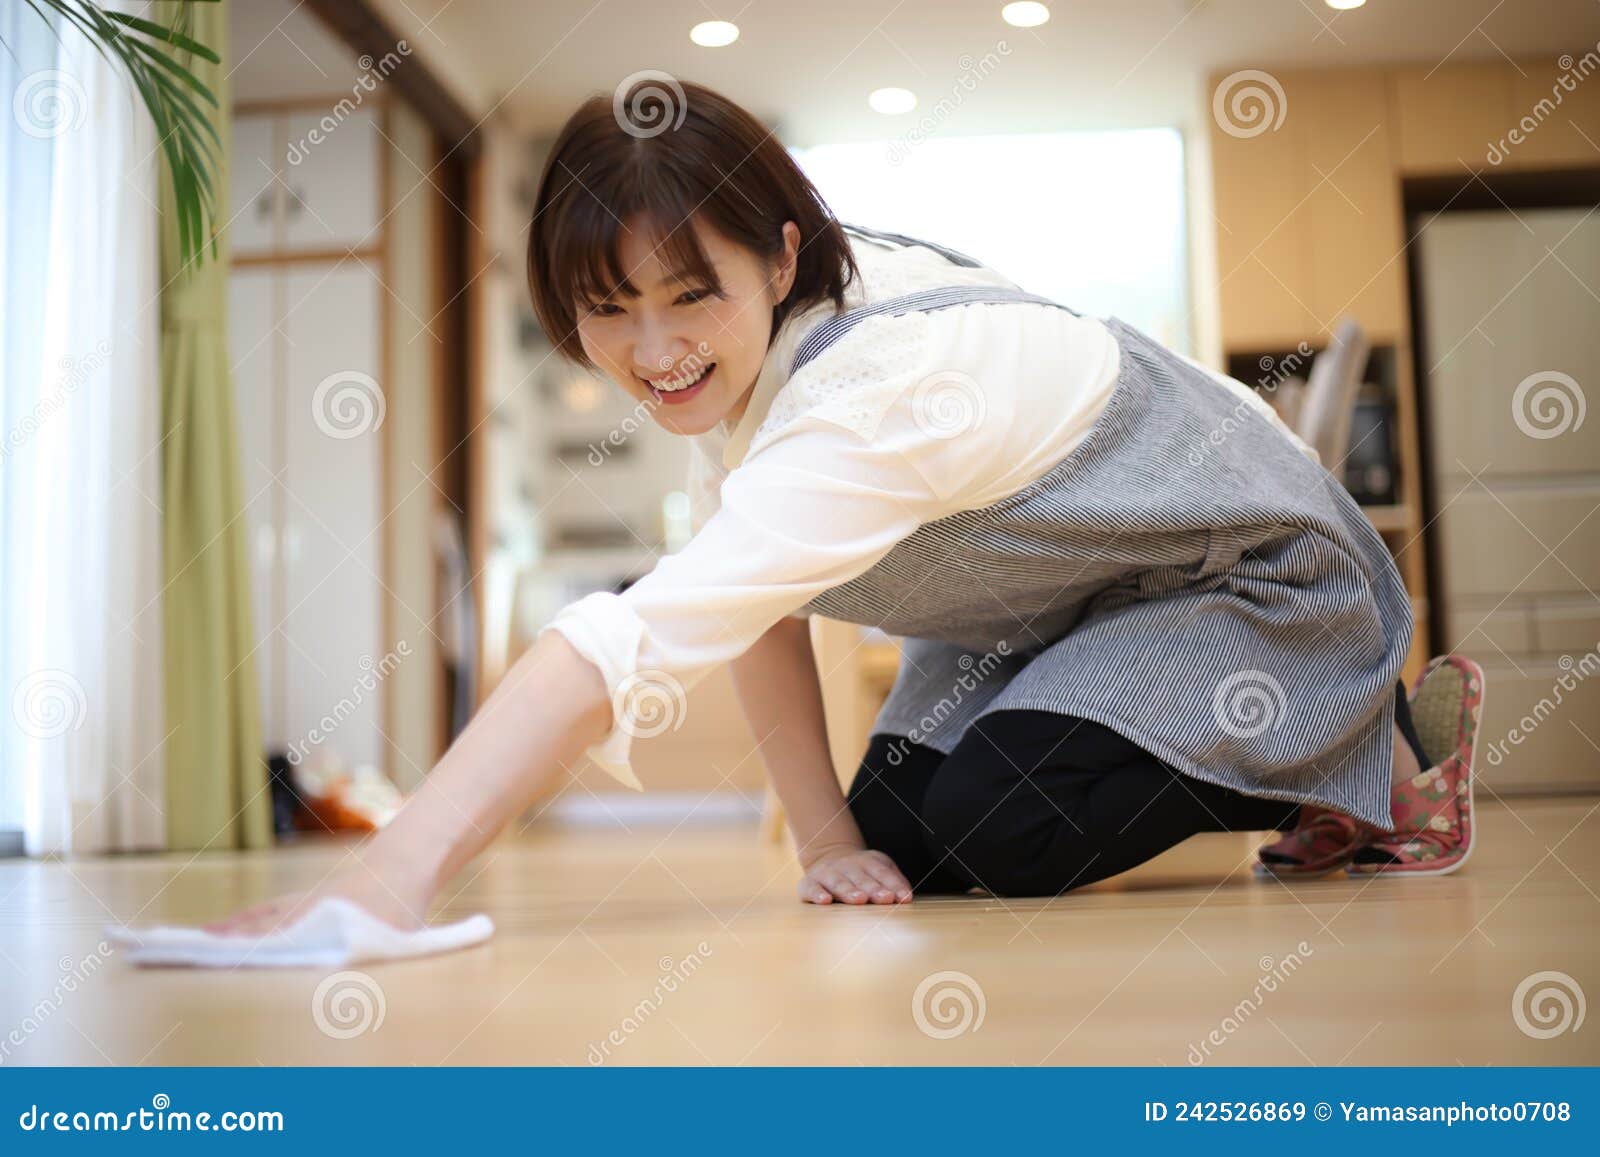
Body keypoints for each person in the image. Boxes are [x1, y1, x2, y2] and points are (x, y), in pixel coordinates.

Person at [209, 79, 1484, 937]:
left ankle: (1370, 750)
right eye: (606, 310)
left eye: (687, 296)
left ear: (773, 253)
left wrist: (388, 876)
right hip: (1063, 611)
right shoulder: (772, 340)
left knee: (1004, 816)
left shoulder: (871, 390)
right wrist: (820, 835)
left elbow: (637, 634)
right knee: (885, 842)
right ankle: (1295, 748)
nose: (652, 352)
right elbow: (758, 593)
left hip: (1256, 582)